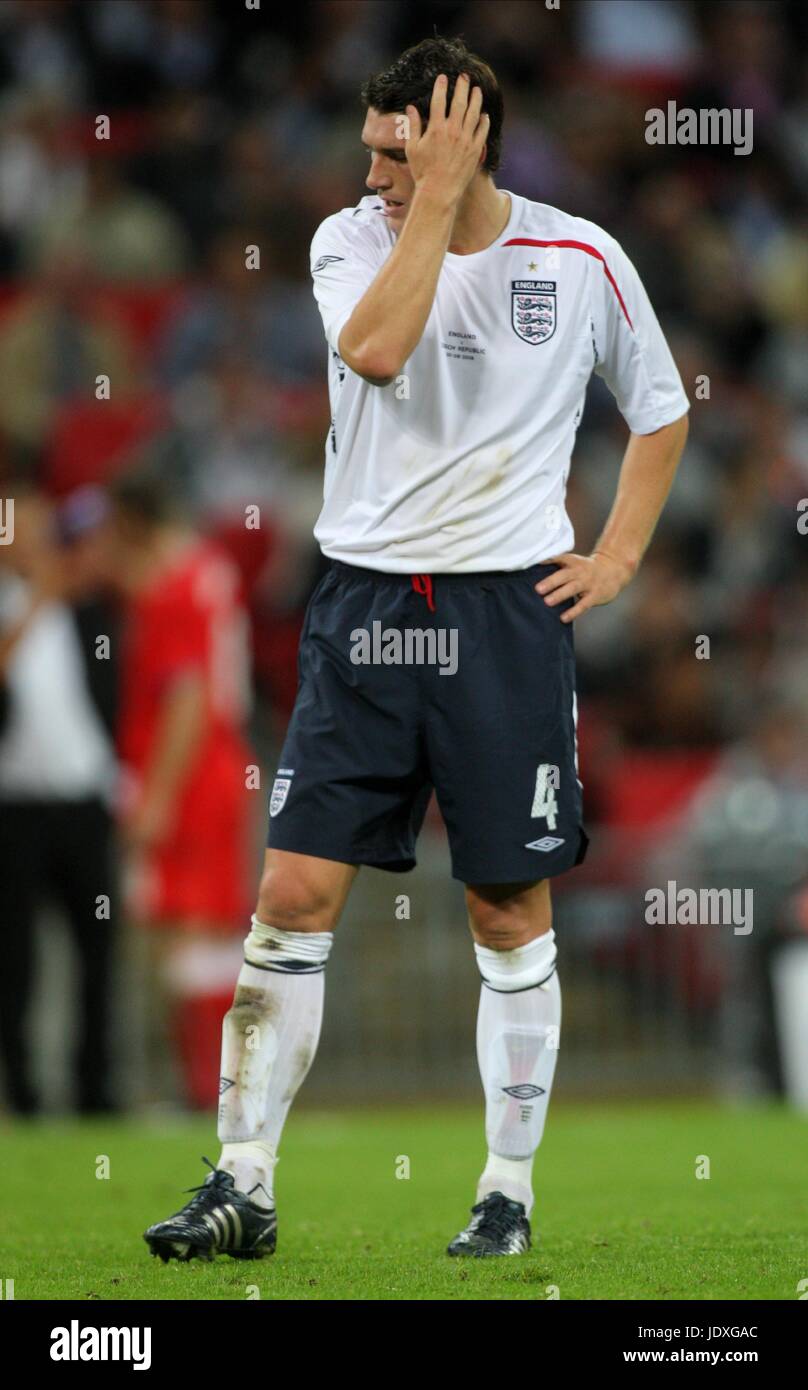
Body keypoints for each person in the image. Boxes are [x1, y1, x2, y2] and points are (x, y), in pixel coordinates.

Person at [144, 35, 689, 1263]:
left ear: (468, 136)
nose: (377, 172)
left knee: (506, 909)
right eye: (373, 149)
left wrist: (614, 560)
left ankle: (504, 1191)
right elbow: (377, 352)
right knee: (289, 894)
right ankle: (243, 1183)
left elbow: (659, 412)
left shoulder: (581, 256)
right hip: (366, 608)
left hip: (505, 615)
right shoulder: (350, 243)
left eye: (402, 151)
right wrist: (425, 206)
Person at [109, 473, 254, 1111]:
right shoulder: (208, 569)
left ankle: (208, 1093)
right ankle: (223, 1092)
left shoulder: (170, 588)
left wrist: (159, 795)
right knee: (208, 934)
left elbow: (187, 696)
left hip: (189, 772)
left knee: (187, 934)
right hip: (219, 764)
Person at [0, 485, 119, 1114]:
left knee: (97, 952)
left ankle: (95, 1090)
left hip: (83, 803)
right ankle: (23, 1093)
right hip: (15, 808)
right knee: (15, 960)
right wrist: (33, 603)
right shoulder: (18, 605)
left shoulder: (86, 608)